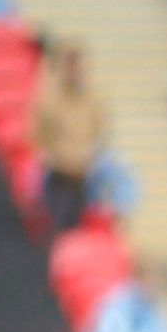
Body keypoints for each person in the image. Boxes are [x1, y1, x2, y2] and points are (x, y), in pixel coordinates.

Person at [31, 39, 108, 236]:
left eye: (78, 64)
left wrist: (89, 157)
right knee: (58, 224)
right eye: (70, 64)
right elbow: (38, 135)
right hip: (57, 175)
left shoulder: (94, 100)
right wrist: (56, 157)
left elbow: (100, 135)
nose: (75, 70)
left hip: (84, 175)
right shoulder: (49, 99)